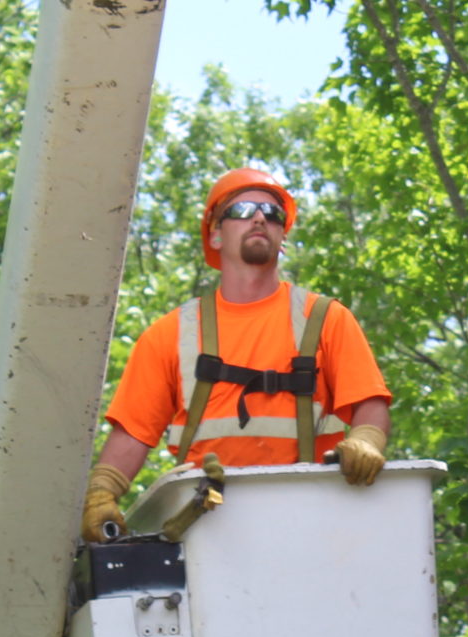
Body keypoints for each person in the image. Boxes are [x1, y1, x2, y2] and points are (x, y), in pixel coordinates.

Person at [83, 167, 392, 541]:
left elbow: (369, 403)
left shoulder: (326, 319)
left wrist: (366, 441)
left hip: (312, 517)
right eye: (243, 209)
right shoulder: (170, 335)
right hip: (209, 525)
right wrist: (102, 493)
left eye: (273, 213)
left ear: (282, 237)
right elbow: (132, 432)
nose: (260, 217)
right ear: (215, 233)